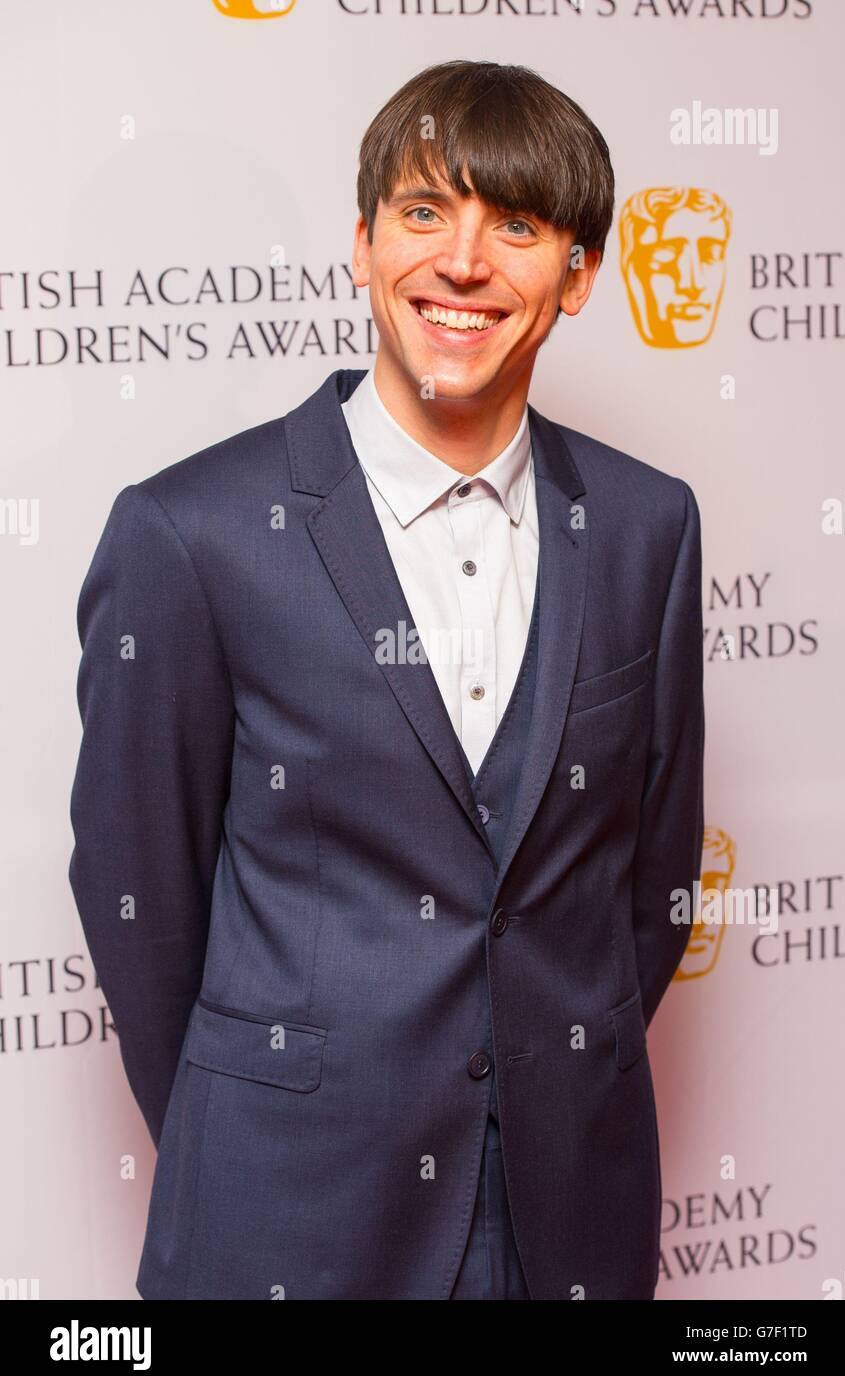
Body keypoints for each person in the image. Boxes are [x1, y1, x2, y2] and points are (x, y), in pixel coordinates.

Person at [68, 59, 704, 1301]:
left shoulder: (646, 525)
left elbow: (649, 885)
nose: (461, 264)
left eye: (514, 226)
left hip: (566, 1220)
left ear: (575, 277)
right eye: (422, 213)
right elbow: (136, 895)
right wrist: (253, 1114)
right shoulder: (190, 533)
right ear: (360, 245)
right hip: (284, 1222)